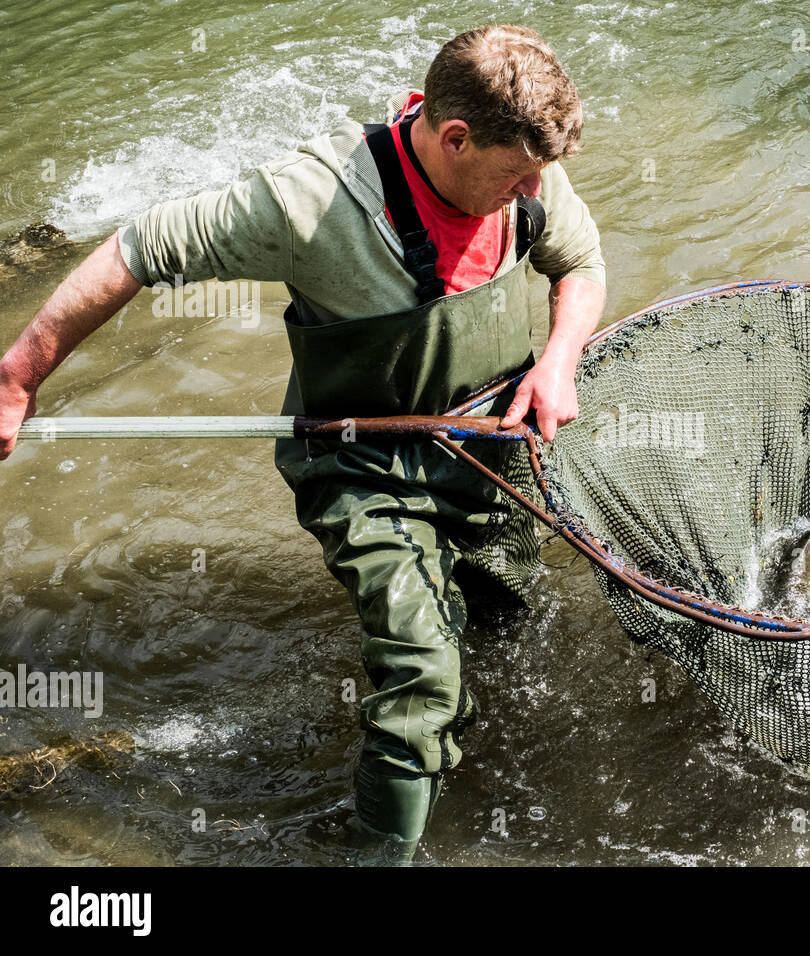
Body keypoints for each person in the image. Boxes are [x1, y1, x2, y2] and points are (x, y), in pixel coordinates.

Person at [0, 24, 606, 864]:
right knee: (423, 679)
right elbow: (138, 250)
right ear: (455, 138)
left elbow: (581, 265)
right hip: (366, 468)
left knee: (504, 613)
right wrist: (18, 377)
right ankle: (381, 851)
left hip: (490, 449)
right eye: (518, 177)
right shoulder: (307, 202)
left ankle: (473, 757)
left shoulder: (528, 167)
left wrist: (560, 359)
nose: (536, 190)